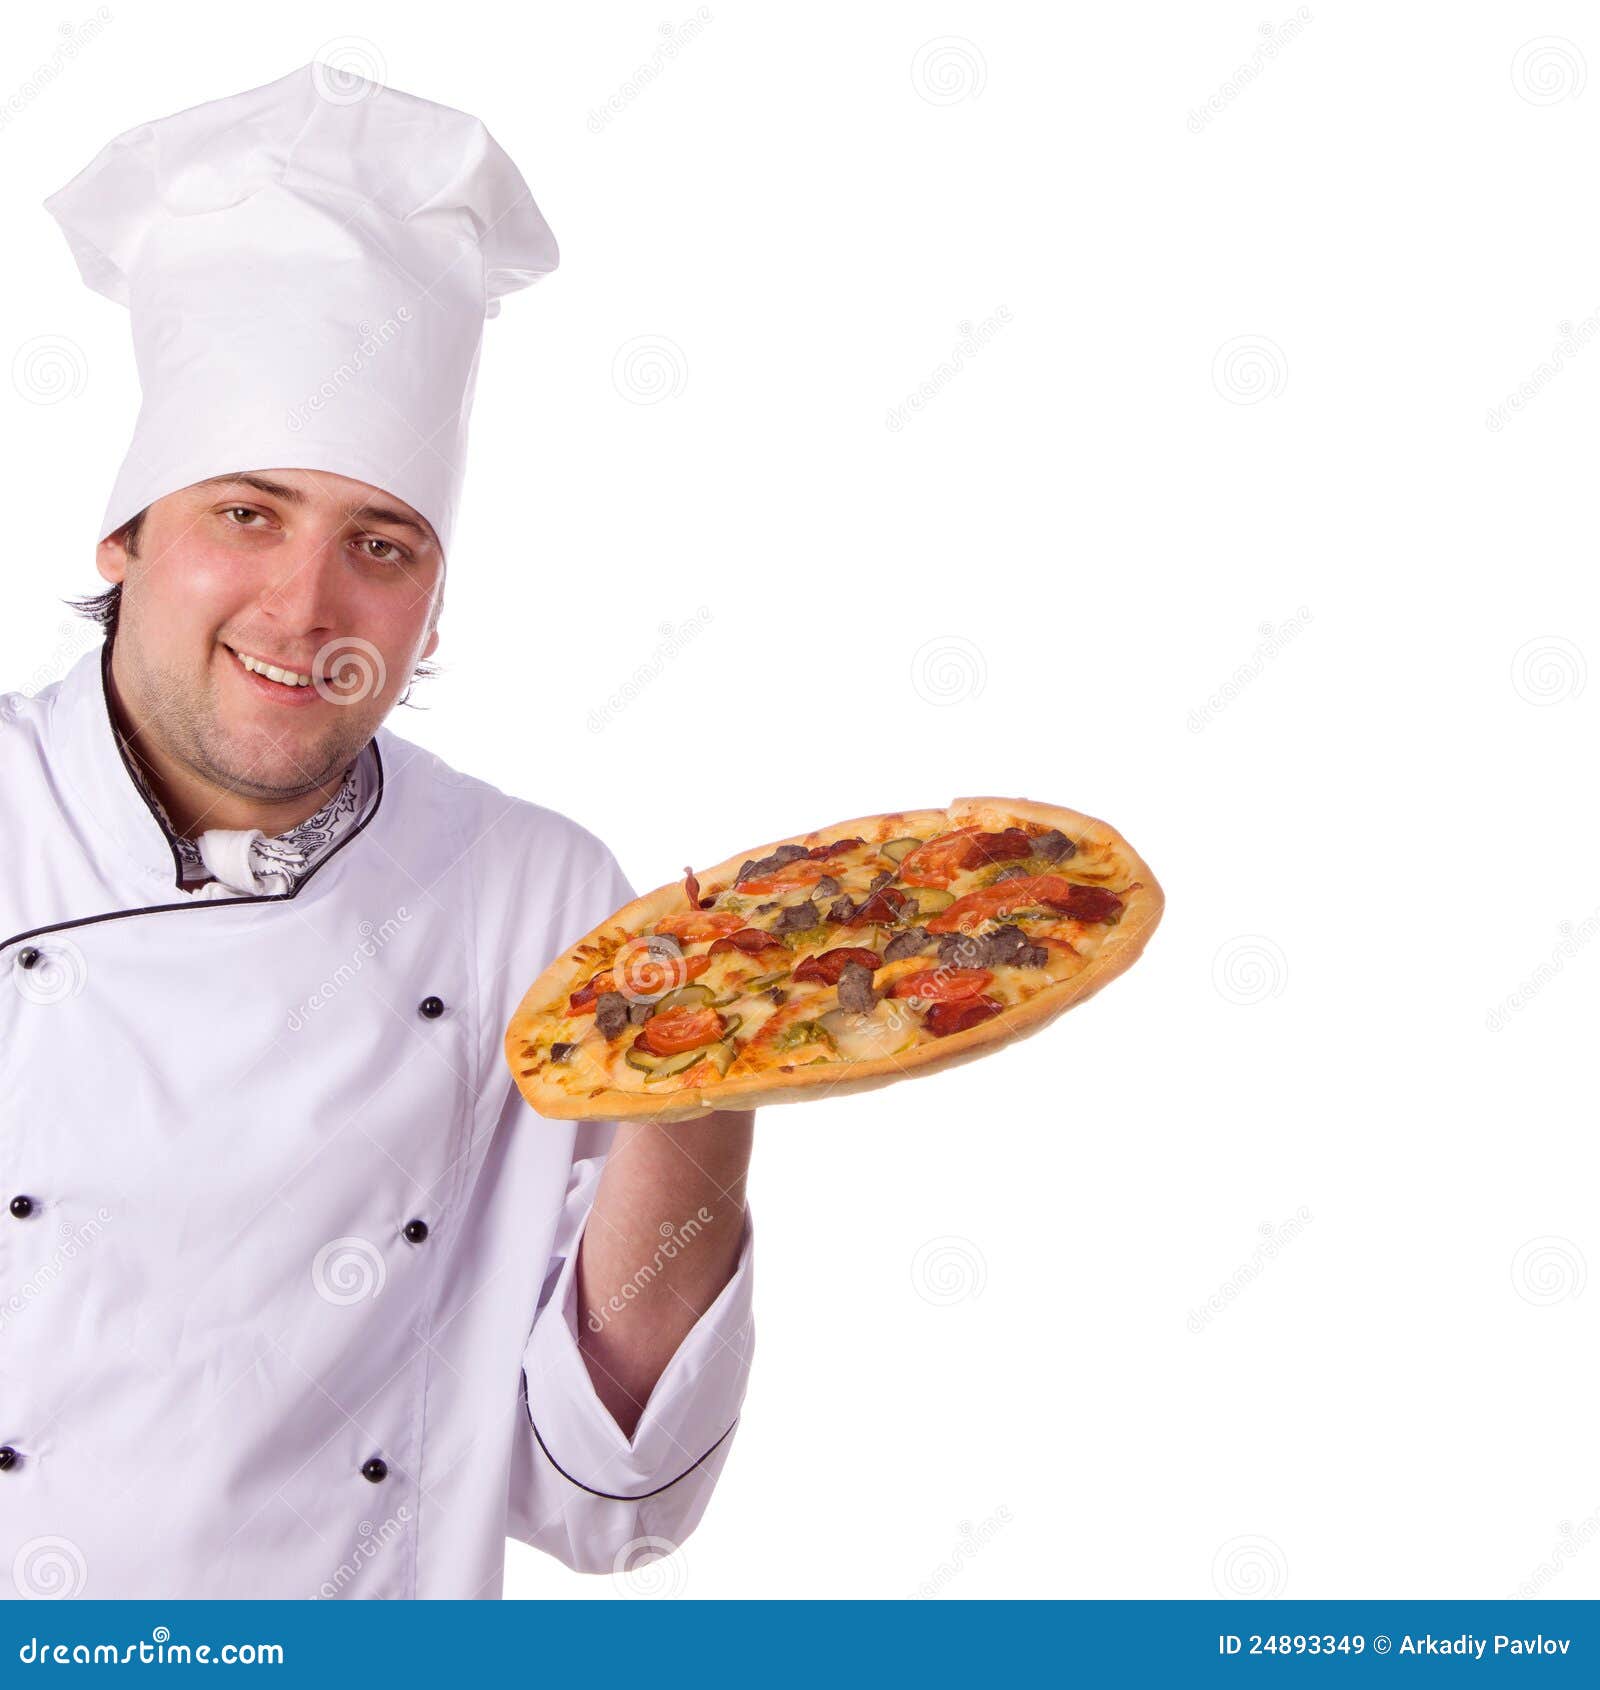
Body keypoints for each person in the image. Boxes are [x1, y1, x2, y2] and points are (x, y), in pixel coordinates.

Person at [0, 62, 754, 1601]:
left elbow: (604, 1495)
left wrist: (710, 1083)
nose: (306, 606)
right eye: (247, 512)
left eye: (382, 543)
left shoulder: (542, 900)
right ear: (126, 532)